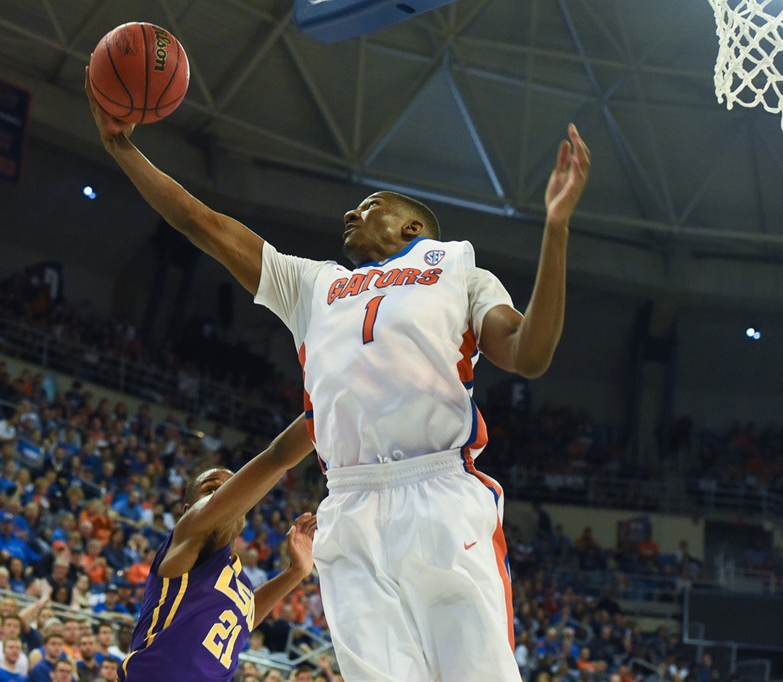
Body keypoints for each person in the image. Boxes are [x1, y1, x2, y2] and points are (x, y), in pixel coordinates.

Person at [86, 63, 590, 682]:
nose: (351, 213)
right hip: (348, 504)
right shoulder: (313, 284)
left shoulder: (457, 267)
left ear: (411, 227)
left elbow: (529, 354)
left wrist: (556, 230)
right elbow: (204, 224)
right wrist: (121, 147)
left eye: (370, 206)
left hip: (438, 488)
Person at [105, 416, 316, 680]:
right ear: (187, 511)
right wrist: (323, 407)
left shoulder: (236, 578)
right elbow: (278, 456)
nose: (227, 495)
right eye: (213, 490)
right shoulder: (189, 534)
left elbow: (243, 618)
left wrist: (295, 573)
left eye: (232, 488)